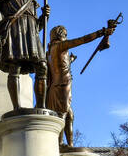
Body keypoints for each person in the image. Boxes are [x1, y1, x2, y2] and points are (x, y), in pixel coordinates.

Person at [46, 19, 117, 147]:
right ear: (61, 34)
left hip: (54, 87)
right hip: (63, 84)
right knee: (63, 114)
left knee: (70, 115)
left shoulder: (50, 51)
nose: (66, 37)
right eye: (65, 35)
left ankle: (70, 144)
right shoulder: (60, 46)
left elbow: (58, 65)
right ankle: (60, 144)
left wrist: (70, 60)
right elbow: (82, 40)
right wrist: (101, 32)